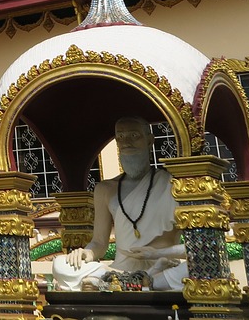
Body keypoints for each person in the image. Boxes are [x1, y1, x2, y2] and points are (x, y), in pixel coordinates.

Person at [51, 116, 188, 291]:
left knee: (201, 264)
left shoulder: (172, 184)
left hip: (163, 268)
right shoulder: (106, 189)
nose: (126, 142)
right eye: (121, 137)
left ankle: (129, 283)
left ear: (150, 141)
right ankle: (136, 283)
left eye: (134, 135)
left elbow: (195, 247)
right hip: (119, 269)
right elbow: (99, 243)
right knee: (60, 265)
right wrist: (86, 252)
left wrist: (158, 253)